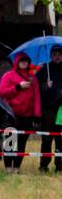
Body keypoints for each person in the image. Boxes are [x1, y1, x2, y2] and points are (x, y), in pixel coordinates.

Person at [0, 52, 40, 172]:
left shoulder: (33, 78)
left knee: (22, 143)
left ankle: (16, 167)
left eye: (26, 61)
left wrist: (37, 116)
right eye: (21, 61)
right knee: (10, 142)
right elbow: (3, 92)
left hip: (27, 116)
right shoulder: (8, 76)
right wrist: (18, 87)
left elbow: (37, 98)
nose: (24, 63)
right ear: (17, 62)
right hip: (11, 115)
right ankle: (8, 168)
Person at [35, 44, 62, 172]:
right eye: (54, 54)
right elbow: (35, 87)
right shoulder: (44, 69)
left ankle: (60, 165)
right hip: (47, 109)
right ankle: (44, 165)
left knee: (60, 138)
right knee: (46, 138)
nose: (57, 56)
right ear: (51, 55)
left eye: (59, 54)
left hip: (61, 109)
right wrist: (46, 85)